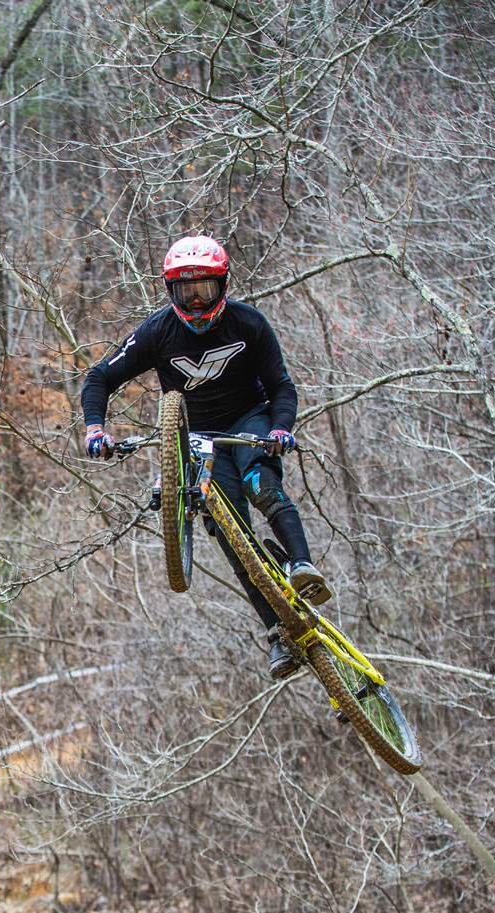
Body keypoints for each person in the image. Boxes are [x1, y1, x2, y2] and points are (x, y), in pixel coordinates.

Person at [80, 235, 331, 680]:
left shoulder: (249, 323)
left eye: (205, 290)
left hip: (249, 422)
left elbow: (281, 386)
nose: (196, 303)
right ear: (170, 291)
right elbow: (99, 377)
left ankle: (301, 565)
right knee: (234, 538)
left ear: (223, 285)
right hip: (198, 438)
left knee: (261, 485)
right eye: (185, 292)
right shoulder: (158, 331)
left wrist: (280, 427)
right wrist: (95, 428)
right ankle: (277, 632)